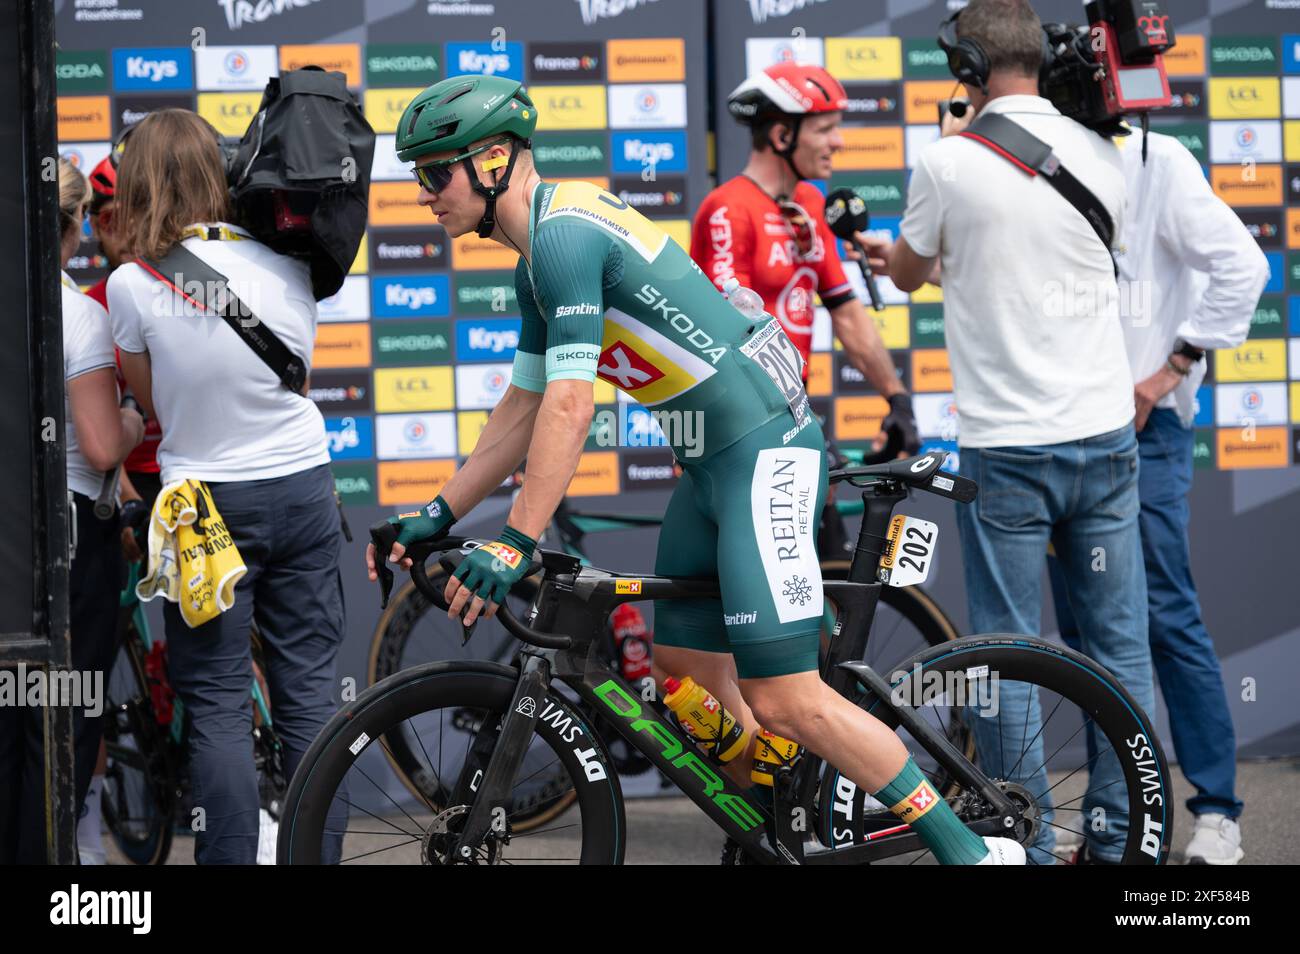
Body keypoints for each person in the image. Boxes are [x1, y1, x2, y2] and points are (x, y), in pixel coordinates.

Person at [370, 73, 1025, 864]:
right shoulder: (536, 260)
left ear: (496, 160)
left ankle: (974, 852)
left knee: (786, 699)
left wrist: (514, 541)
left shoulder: (563, 238)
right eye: (417, 175)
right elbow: (520, 411)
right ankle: (782, 823)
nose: (423, 193)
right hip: (712, 465)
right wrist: (440, 512)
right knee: (683, 676)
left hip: (763, 455)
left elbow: (570, 408)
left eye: (435, 173)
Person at [860, 0, 1155, 864]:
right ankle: (1121, 838)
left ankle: (1026, 844)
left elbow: (911, 273)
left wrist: (910, 247)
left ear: (973, 71)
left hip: (1010, 455)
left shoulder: (947, 163)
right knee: (1117, 652)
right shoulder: (1107, 155)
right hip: (1104, 441)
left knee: (1004, 656)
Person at [106, 108, 346, 864]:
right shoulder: (295, 261)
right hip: (305, 490)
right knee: (311, 699)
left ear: (138, 185)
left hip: (203, 508)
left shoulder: (129, 286)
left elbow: (152, 405)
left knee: (214, 706)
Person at [1047, 127, 1269, 864]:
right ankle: (1113, 821)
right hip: (1058, 430)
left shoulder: (1159, 158)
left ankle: (1216, 813)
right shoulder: (1035, 154)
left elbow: (1244, 266)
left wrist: (1166, 370)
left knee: (1167, 615)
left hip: (1144, 433)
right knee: (1083, 633)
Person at [0, 159, 144, 863]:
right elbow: (96, 442)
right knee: (57, 724)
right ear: (77, 226)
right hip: (65, 542)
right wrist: (133, 420)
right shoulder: (80, 316)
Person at [692, 62, 919, 458]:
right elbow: (727, 334)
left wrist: (897, 401)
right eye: (825, 129)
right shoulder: (728, 208)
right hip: (739, 423)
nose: (839, 142)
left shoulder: (812, 202)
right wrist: (800, 422)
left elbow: (846, 311)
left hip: (792, 414)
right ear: (782, 135)